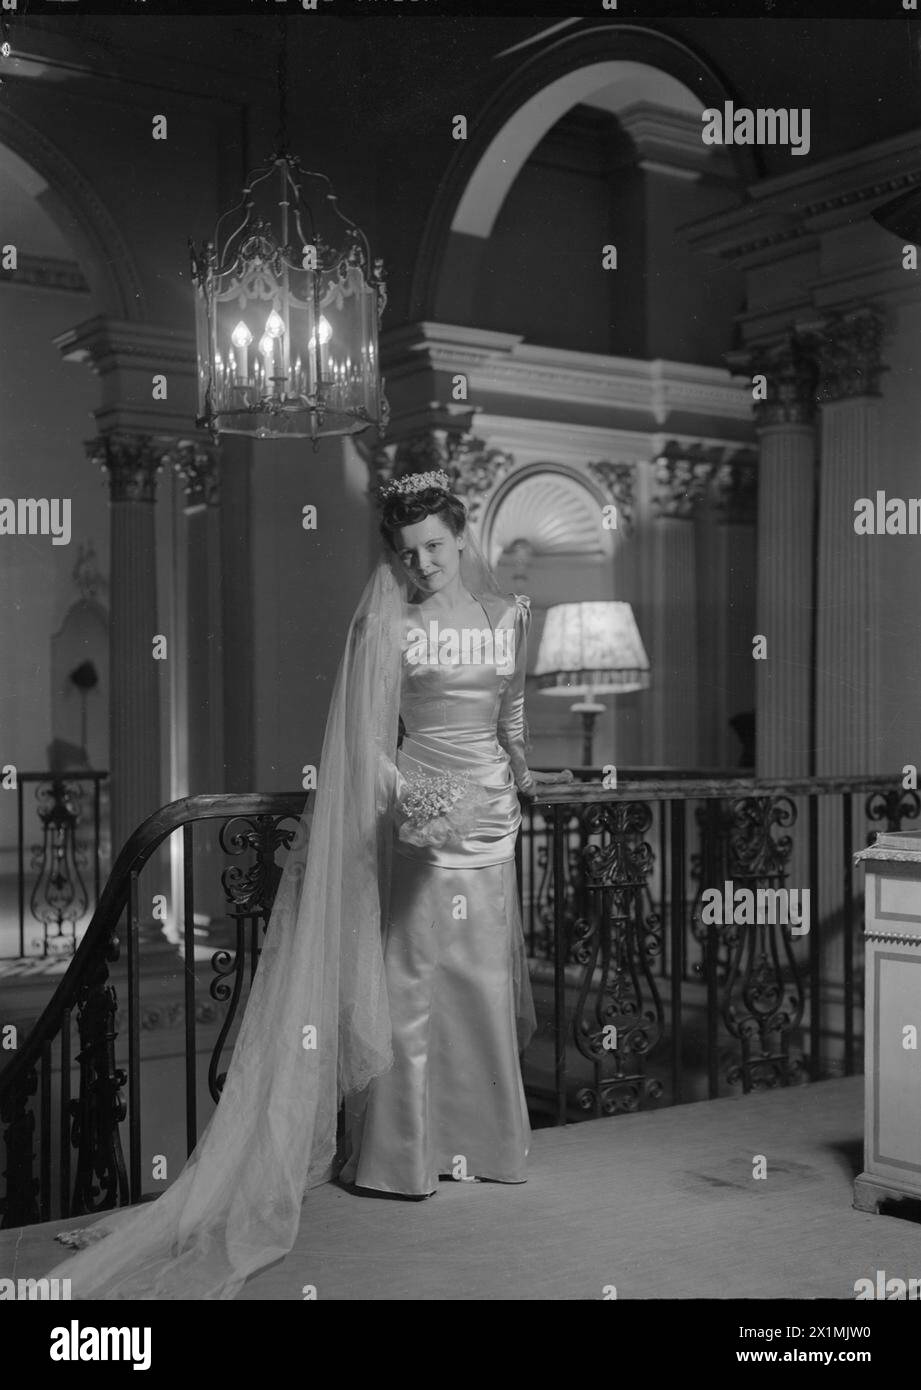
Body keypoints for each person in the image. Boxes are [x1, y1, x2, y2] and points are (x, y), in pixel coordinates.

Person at [44, 467, 571, 1298]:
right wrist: (412, 800)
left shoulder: (506, 616)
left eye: (434, 546)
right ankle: (404, 1159)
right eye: (408, 553)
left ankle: (486, 1144)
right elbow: (365, 742)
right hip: (419, 821)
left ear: (461, 537)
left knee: (478, 980)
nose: (423, 564)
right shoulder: (389, 623)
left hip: (494, 824)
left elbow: (506, 712)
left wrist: (524, 768)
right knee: (412, 986)